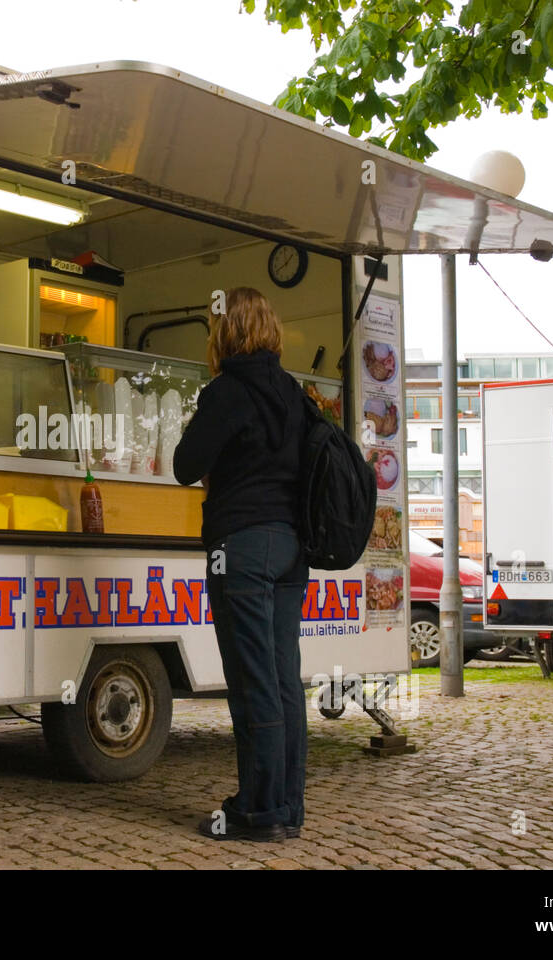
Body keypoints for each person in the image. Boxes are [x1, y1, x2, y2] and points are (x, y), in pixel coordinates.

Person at [174, 286, 308, 842]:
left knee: (253, 680)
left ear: (224, 332)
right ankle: (288, 805)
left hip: (243, 549)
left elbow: (185, 465)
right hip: (291, 549)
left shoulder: (226, 392)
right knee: (282, 679)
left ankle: (257, 810)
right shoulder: (293, 393)